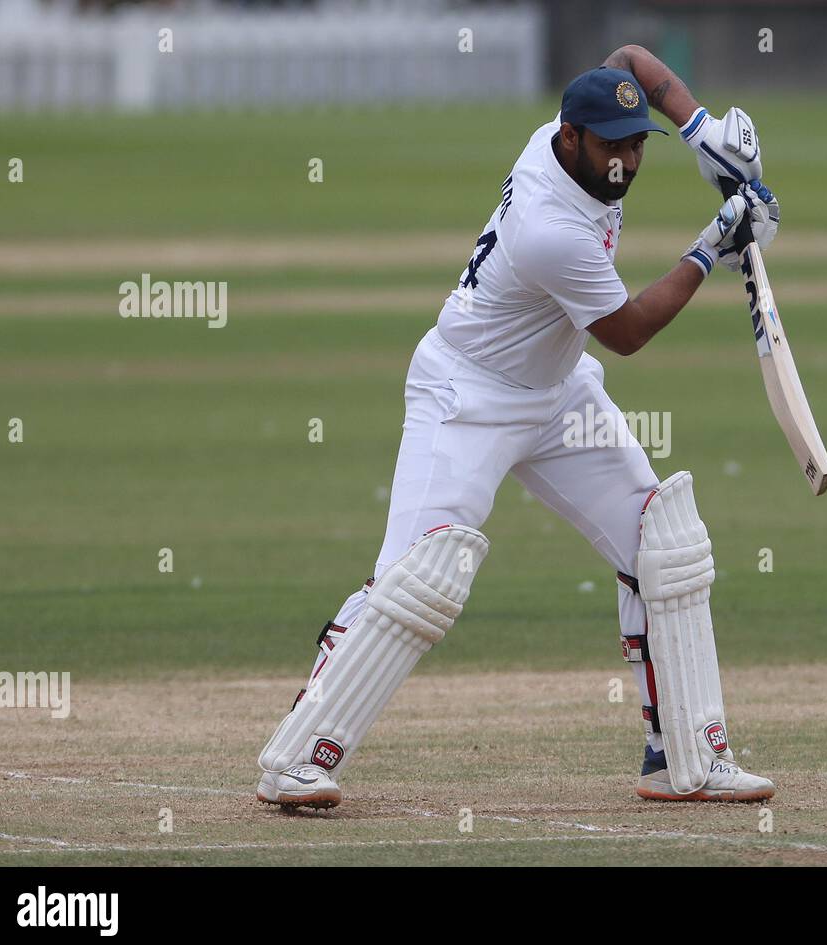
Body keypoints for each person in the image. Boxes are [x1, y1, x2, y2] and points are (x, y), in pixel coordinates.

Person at [256, 45, 780, 809]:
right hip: (465, 395)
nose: (626, 162)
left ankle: (687, 761)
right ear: (569, 138)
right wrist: (713, 247)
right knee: (417, 578)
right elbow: (628, 333)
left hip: (559, 391)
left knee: (662, 542)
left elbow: (629, 58)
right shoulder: (548, 227)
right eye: (612, 144)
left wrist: (697, 128)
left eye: (638, 145)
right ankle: (295, 760)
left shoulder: (573, 131)